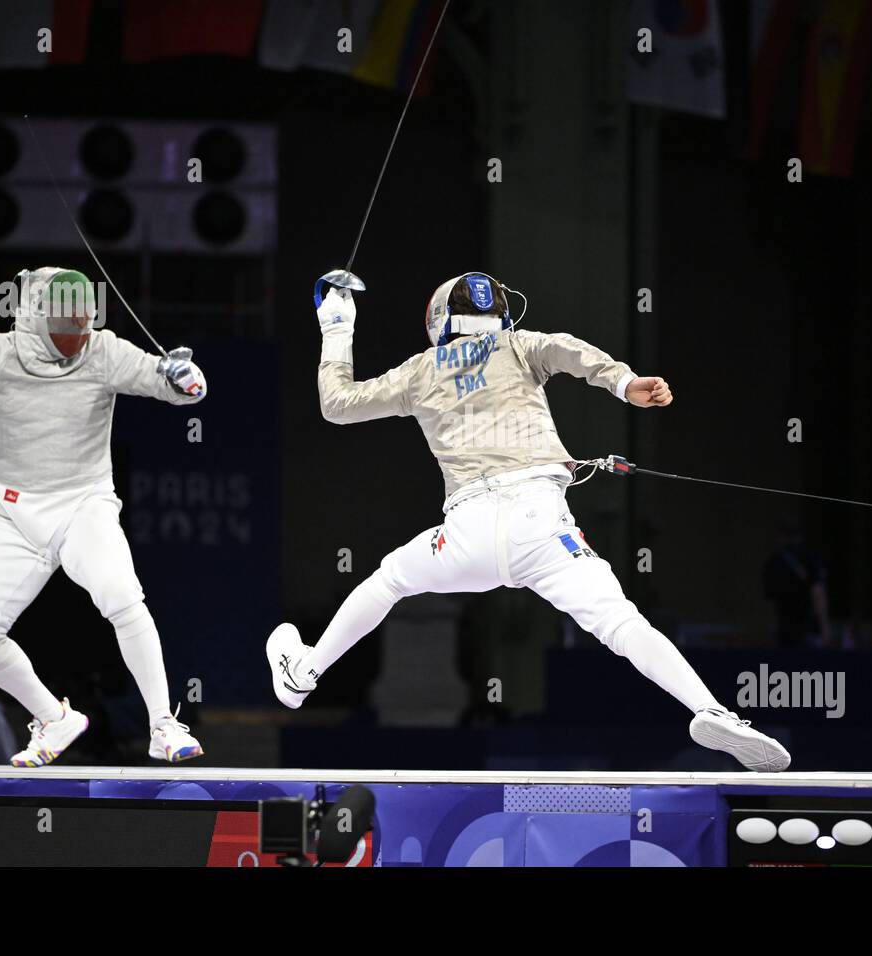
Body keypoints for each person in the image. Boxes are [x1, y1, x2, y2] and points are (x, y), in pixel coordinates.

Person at [265, 271, 790, 772]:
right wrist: (623, 382)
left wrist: (337, 327)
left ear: (439, 320)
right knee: (620, 622)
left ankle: (305, 673)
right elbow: (567, 348)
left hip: (464, 537)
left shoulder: (422, 370)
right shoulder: (519, 345)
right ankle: (710, 710)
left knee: (390, 580)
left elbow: (338, 405)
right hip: (542, 528)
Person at [0, 267, 207, 767]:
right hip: (17, 516)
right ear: (35, 319)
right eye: (67, 329)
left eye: (84, 326)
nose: (78, 339)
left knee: (121, 595)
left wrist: (183, 378)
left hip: (86, 505)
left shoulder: (103, 350)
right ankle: (54, 718)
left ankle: (163, 724)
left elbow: (167, 383)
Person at [761, 522, 831, 647]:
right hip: (806, 628)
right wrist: (824, 626)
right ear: (799, 536)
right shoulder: (810, 557)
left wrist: (771, 629)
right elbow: (818, 592)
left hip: (786, 630)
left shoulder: (773, 562)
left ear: (780, 537)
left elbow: (769, 603)